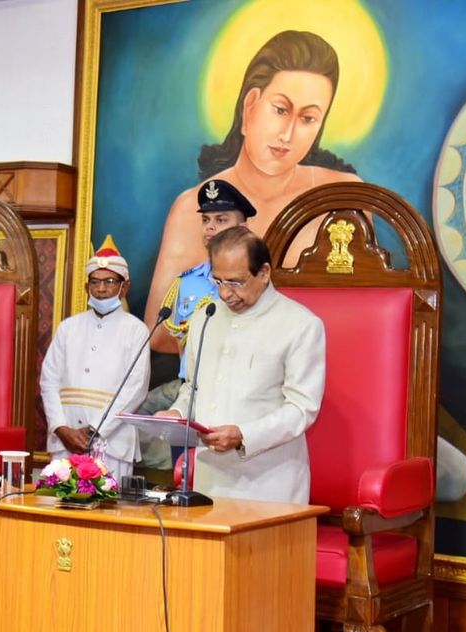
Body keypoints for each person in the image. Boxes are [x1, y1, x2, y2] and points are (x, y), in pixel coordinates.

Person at [144, 30, 361, 340]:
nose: (288, 133)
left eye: (308, 118)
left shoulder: (343, 196)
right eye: (281, 110)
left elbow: (360, 318)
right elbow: (160, 334)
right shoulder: (191, 206)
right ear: (250, 106)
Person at [157, 227, 325, 503]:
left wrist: (244, 435)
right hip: (210, 479)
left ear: (264, 273)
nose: (224, 293)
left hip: (268, 483)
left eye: (235, 282)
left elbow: (301, 409)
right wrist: (176, 412)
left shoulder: (300, 325)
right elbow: (193, 387)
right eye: (218, 280)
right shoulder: (205, 318)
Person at [137, 179, 254, 470]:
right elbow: (180, 344)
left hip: (239, 396)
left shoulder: (256, 283)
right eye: (206, 220)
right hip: (191, 394)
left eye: (221, 219)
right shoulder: (188, 283)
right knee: (185, 478)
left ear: (244, 227)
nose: (210, 227)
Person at [40, 235, 150, 481]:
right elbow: (49, 382)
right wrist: (61, 428)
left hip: (112, 443)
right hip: (64, 442)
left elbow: (136, 389)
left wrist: (94, 430)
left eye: (110, 282)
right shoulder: (68, 327)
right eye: (95, 282)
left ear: (125, 287)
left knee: (107, 513)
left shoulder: (136, 330)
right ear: (86, 286)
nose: (101, 289)